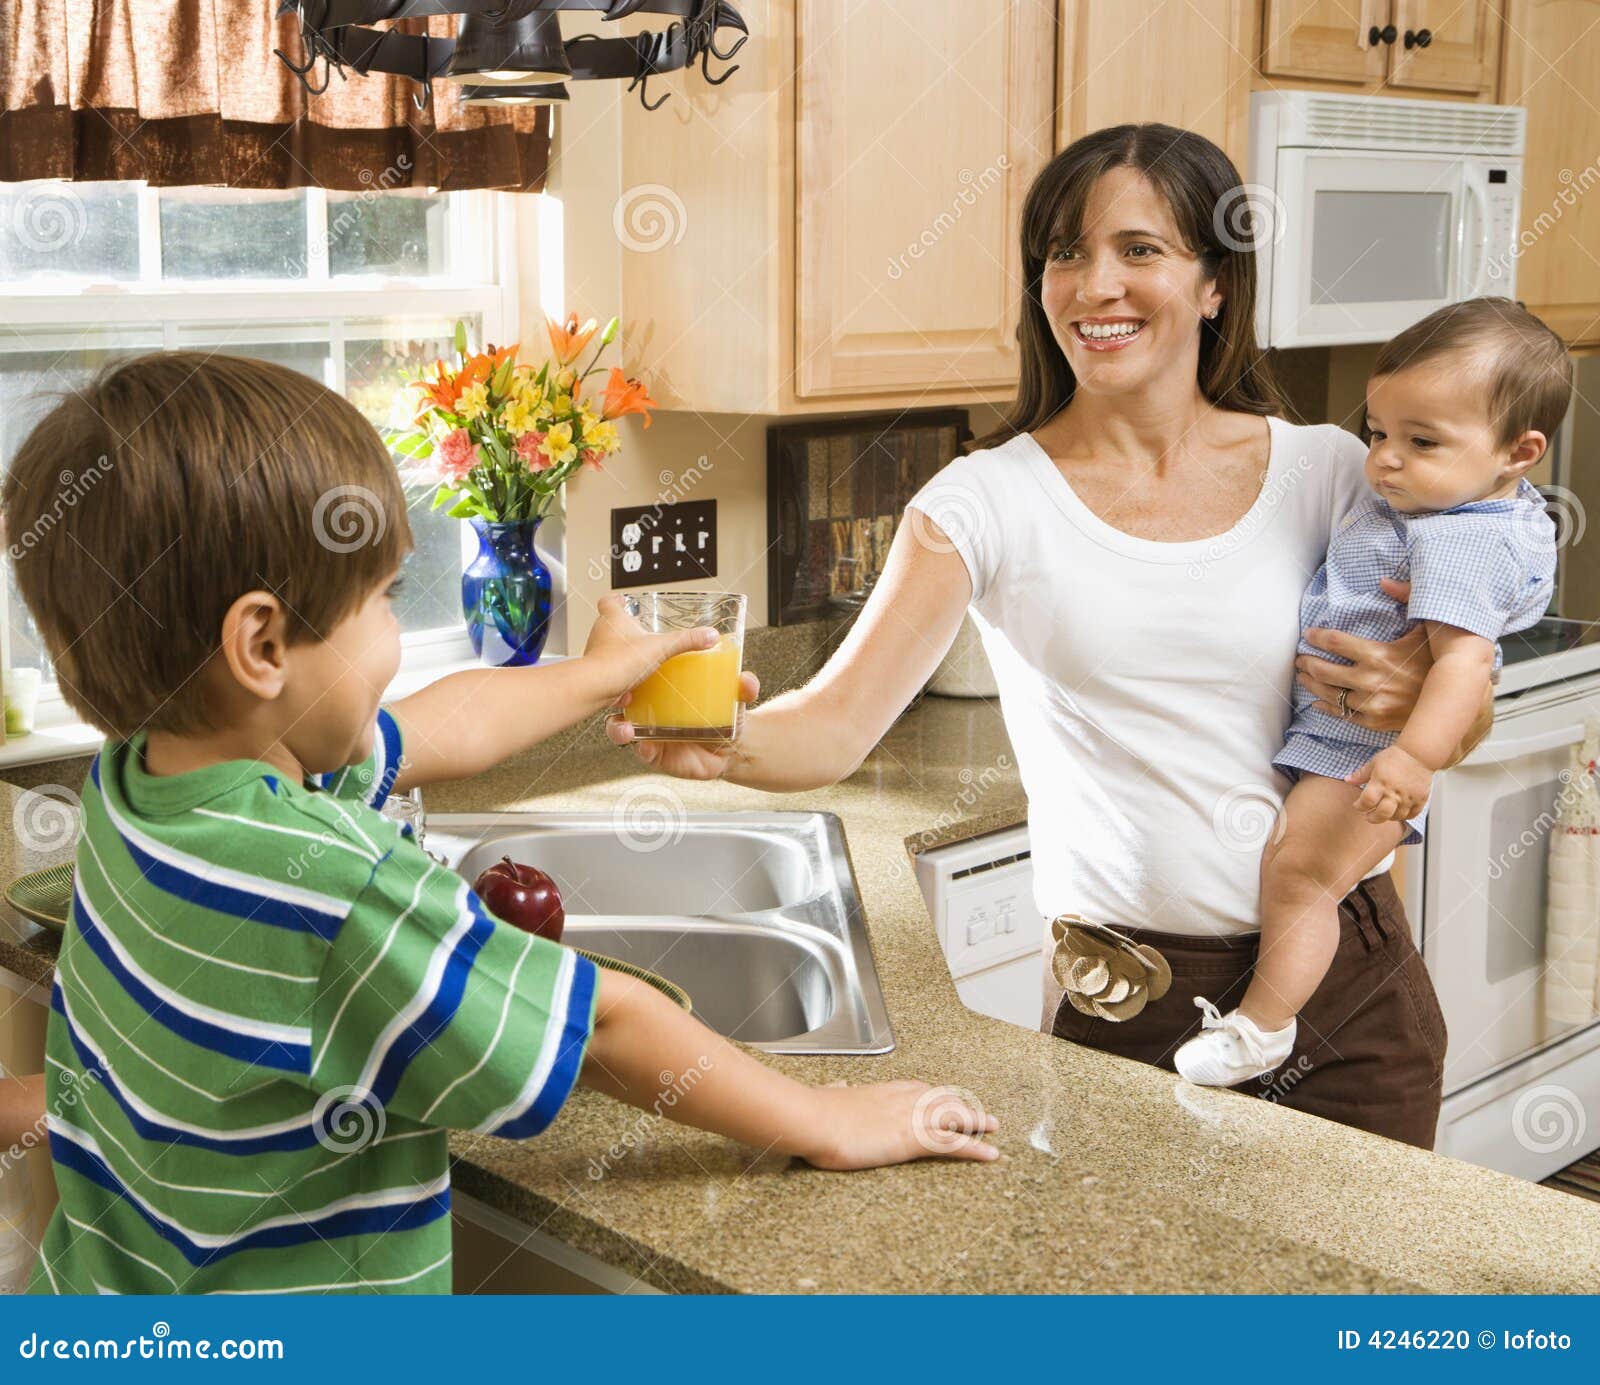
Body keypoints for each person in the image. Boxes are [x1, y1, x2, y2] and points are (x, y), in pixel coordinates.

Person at [0, 352, 996, 1295]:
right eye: (385, 600)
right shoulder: (338, 885)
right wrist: (819, 1118)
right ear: (263, 643)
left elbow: (439, 725)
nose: (395, 631)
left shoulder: (141, 785)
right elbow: (600, 1019)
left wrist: (595, 676)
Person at [612, 124, 1479, 1150]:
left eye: (1139, 250)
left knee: (1350, 1306)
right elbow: (834, 726)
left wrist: (1412, 703)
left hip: (1347, 991)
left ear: (1214, 285)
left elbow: (1458, 684)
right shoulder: (982, 502)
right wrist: (722, 743)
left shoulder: (1334, 471)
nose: (1092, 285)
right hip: (1133, 1000)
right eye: (1064, 254)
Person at [1175, 298, 1570, 1086]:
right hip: (1351, 746)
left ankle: (1262, 1026)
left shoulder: (1460, 538)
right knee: (1309, 874)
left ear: (1518, 452)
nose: (1385, 460)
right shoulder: (1455, 503)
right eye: (1379, 433)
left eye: (1421, 441)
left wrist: (1414, 757)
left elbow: (1460, 664)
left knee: (1302, 879)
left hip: (1361, 751)